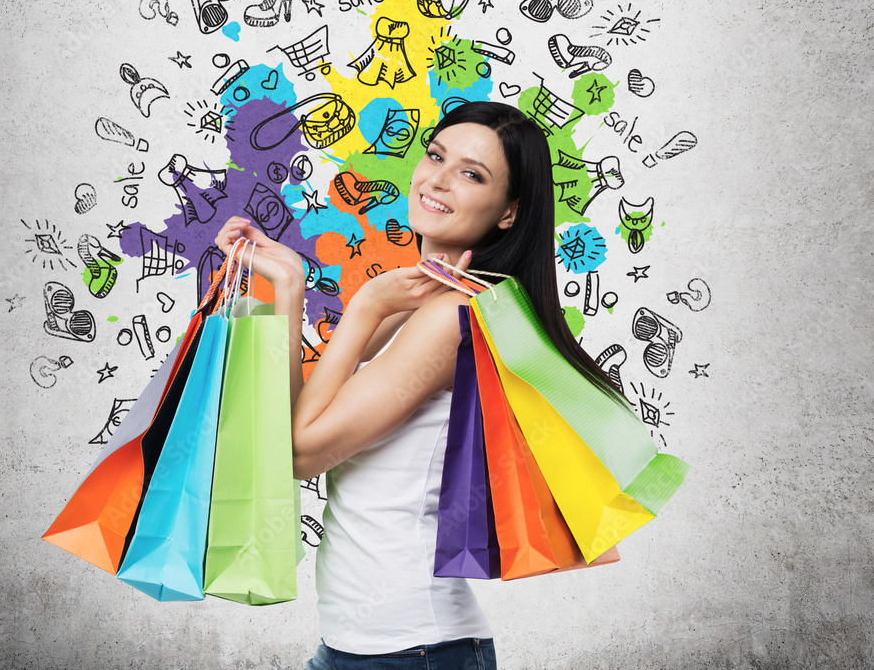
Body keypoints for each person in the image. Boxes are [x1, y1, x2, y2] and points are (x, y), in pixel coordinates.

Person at [214, 101, 625, 670]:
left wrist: (364, 307)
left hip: (413, 651)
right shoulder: (418, 301)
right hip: (361, 648)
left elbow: (301, 456)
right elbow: (293, 426)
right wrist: (289, 287)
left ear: (509, 213)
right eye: (435, 156)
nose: (437, 179)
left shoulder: (449, 316)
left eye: (471, 174)